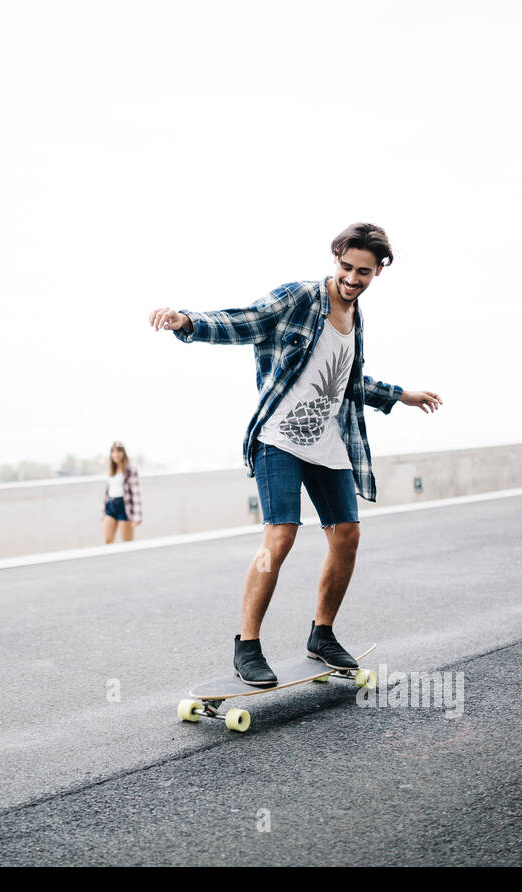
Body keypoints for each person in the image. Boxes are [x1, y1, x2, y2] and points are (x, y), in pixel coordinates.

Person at [148, 223, 442, 686]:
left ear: (378, 272)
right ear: (336, 259)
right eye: (346, 267)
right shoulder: (300, 298)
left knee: (346, 535)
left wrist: (399, 394)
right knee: (280, 537)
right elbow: (244, 320)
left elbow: (343, 382)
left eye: (363, 272)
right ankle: (247, 644)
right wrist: (187, 321)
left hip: (327, 443)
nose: (352, 278)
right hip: (278, 440)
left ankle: (321, 635)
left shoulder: (356, 318)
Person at [102, 441, 142, 543]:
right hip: (110, 507)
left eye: (119, 451)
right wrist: (103, 510)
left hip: (124, 507)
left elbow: (136, 493)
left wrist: (137, 516)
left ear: (123, 453)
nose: (116, 454)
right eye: (113, 452)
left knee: (127, 542)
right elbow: (107, 492)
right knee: (107, 540)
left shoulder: (130, 470)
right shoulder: (111, 470)